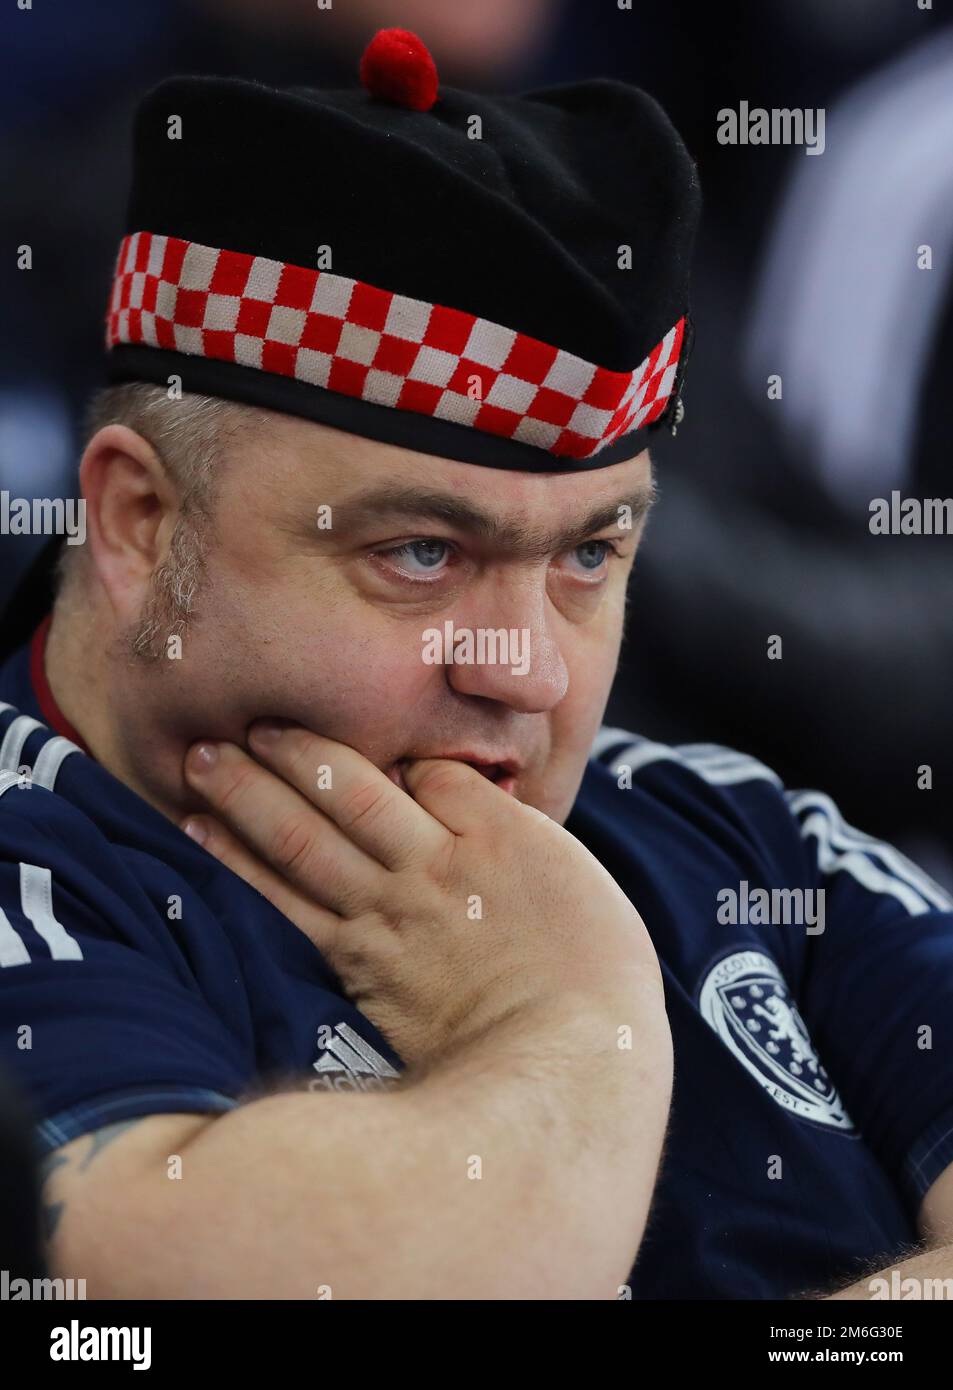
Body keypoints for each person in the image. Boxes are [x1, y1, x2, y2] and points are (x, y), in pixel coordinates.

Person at [1, 28, 951, 1300]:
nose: (531, 675)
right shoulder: (38, 883)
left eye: (589, 556)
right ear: (138, 523)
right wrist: (567, 1026)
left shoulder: (732, 833)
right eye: (419, 553)